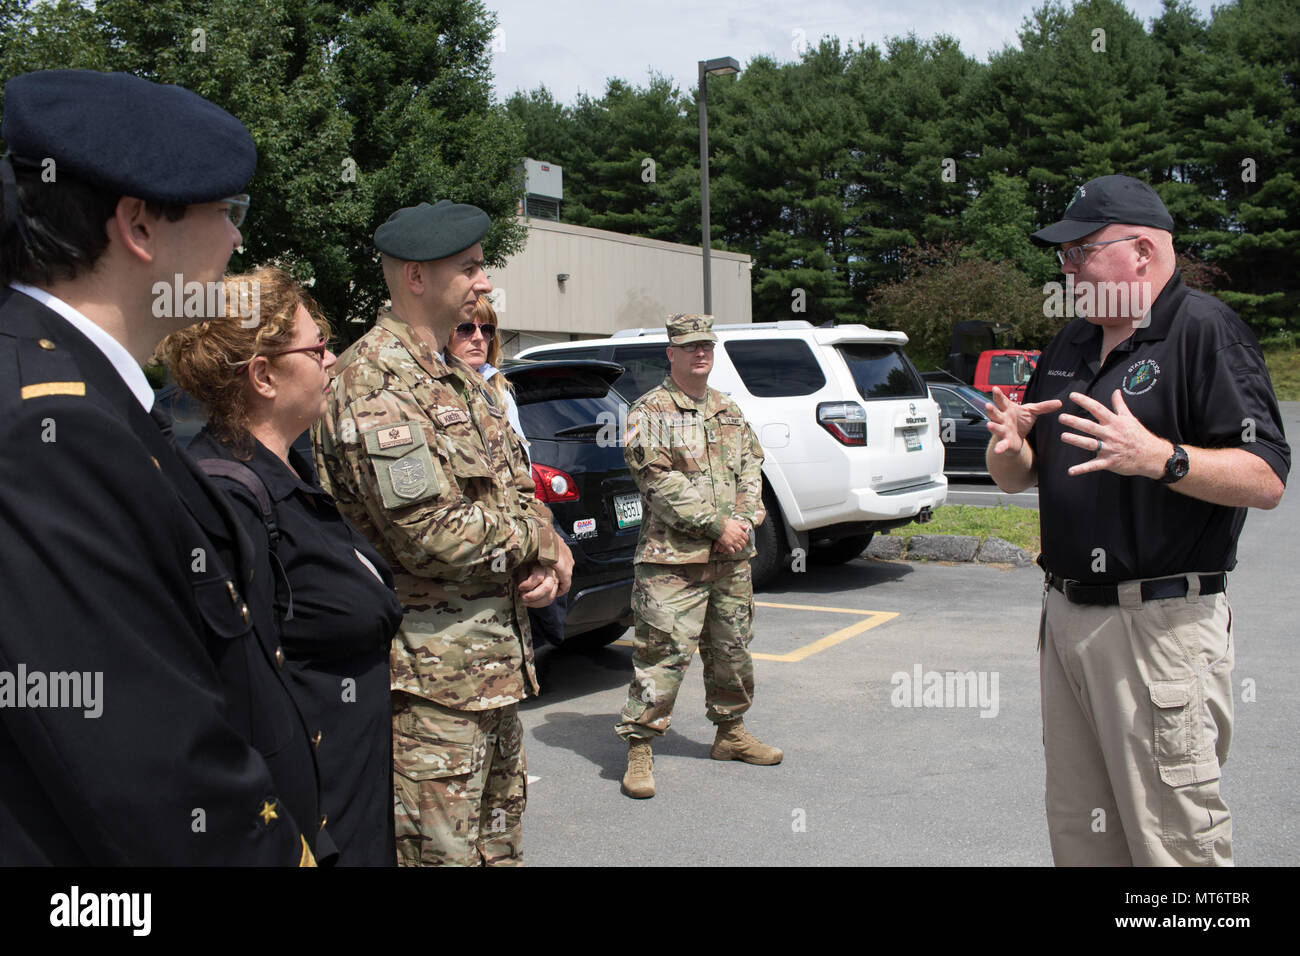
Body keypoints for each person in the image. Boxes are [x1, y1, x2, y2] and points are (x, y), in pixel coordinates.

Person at [0, 69, 323, 864]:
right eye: (226, 212)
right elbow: (154, 779)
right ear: (140, 225)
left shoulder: (81, 390)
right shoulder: (53, 426)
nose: (237, 240)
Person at [986, 174, 1290, 866]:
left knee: (1172, 844)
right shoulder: (1071, 343)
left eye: (1080, 252)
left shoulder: (1205, 331)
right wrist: (1007, 449)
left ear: (1143, 253)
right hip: (1067, 619)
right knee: (1082, 833)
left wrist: (1161, 458)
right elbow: (1021, 473)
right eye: (1063, 256)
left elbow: (1267, 477)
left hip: (1159, 629)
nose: (1065, 269)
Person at [313, 199, 573, 866]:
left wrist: (549, 551)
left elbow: (518, 494)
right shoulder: (371, 381)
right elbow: (430, 533)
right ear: (415, 279)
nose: (484, 282)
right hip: (428, 687)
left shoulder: (464, 379)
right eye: (470, 268)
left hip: (493, 673)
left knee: (499, 854)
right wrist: (536, 541)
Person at [159, 266, 405, 866]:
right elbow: (234, 698)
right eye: (318, 346)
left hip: (352, 800)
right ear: (263, 376)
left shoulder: (292, 466)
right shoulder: (229, 500)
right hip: (306, 829)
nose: (332, 361)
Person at [615, 313, 780, 799]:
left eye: (706, 345)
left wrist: (746, 520)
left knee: (732, 650)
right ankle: (640, 746)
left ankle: (731, 734)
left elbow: (753, 466)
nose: (700, 353)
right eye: (689, 347)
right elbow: (658, 482)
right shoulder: (649, 411)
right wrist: (717, 525)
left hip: (731, 559)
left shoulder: (728, 409)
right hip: (673, 562)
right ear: (671, 353)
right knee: (662, 655)